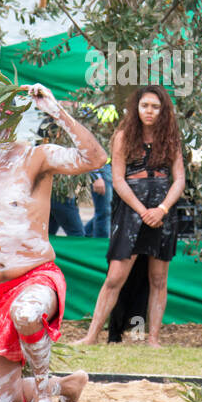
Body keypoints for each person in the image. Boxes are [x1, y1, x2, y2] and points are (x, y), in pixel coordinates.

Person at [0, 82, 101, 402]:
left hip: (35, 278)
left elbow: (94, 157)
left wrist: (55, 109)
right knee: (1, 400)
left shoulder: (35, 157)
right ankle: (66, 385)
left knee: (26, 314)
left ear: (9, 117)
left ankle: (44, 392)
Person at [76, 85, 187, 347]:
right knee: (115, 277)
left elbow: (179, 179)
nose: (150, 111)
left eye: (156, 107)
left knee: (159, 279)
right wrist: (142, 211)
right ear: (136, 108)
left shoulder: (170, 138)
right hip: (130, 214)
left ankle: (153, 338)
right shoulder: (123, 136)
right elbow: (117, 179)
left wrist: (161, 209)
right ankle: (91, 336)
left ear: (164, 110)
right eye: (145, 106)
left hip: (163, 213)